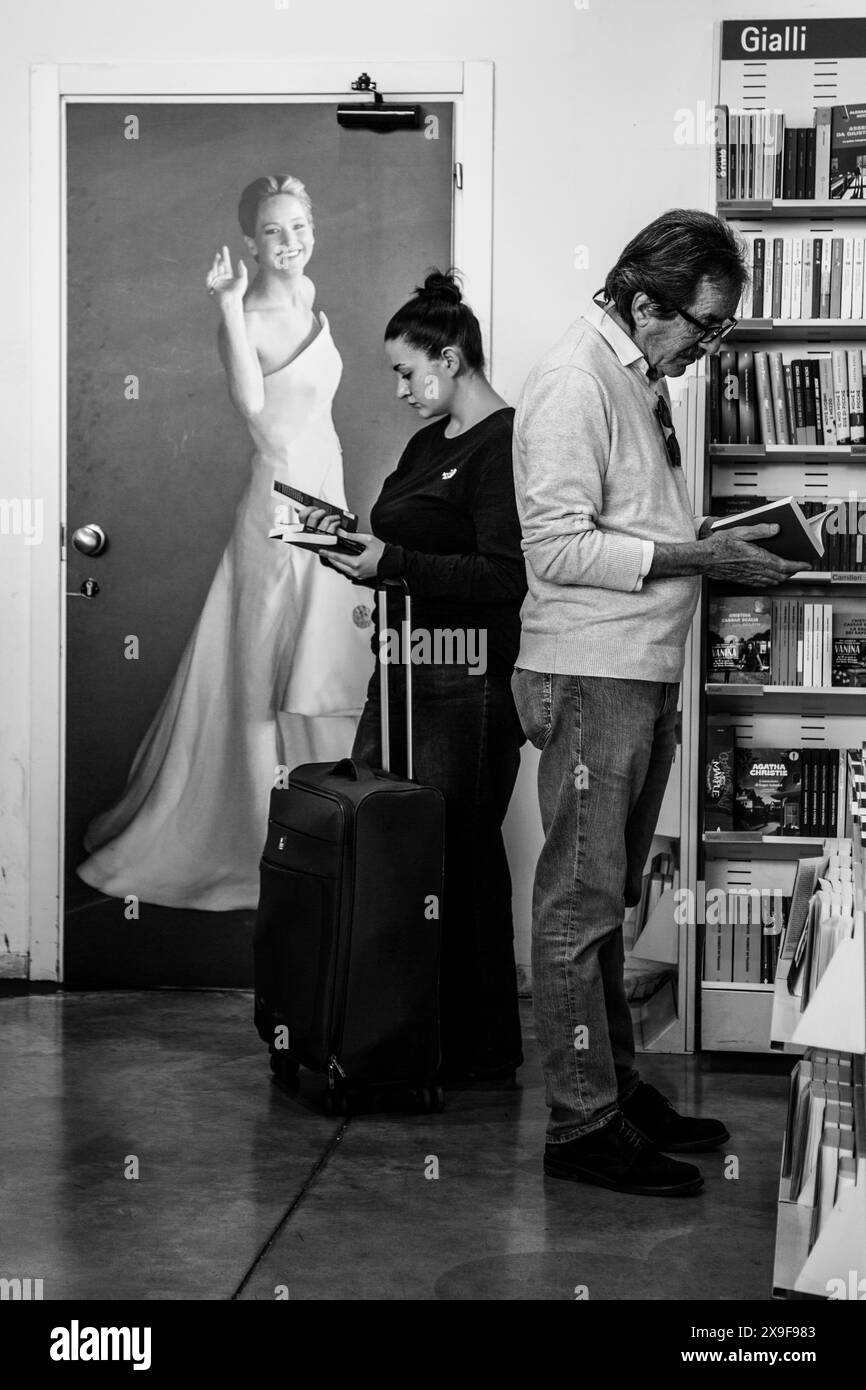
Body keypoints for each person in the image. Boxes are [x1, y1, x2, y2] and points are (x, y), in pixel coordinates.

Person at [511, 209, 804, 1195]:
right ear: (642, 303)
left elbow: (626, 519)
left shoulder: (636, 374)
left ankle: (614, 1088)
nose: (707, 348)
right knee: (578, 906)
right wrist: (695, 554)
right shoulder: (571, 381)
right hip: (593, 676)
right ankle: (580, 1125)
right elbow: (552, 546)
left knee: (611, 897)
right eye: (702, 328)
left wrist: (715, 538)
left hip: (633, 671)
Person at [77, 175, 372, 911]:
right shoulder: (244, 313)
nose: (291, 241)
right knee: (265, 669)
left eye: (300, 225)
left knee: (322, 658)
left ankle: (323, 827)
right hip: (280, 509)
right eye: (274, 230)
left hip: (325, 499)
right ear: (250, 242)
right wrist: (225, 305)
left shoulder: (308, 297)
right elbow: (251, 404)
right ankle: (254, 837)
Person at [301, 270, 527, 1083]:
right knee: (387, 845)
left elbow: (507, 578)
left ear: (453, 357)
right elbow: (412, 546)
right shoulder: (429, 444)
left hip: (466, 681)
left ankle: (478, 1046)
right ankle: (399, 1029)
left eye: (406, 371)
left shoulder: (504, 443)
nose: (398, 388)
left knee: (456, 853)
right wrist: (356, 546)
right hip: (399, 670)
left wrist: (392, 561)